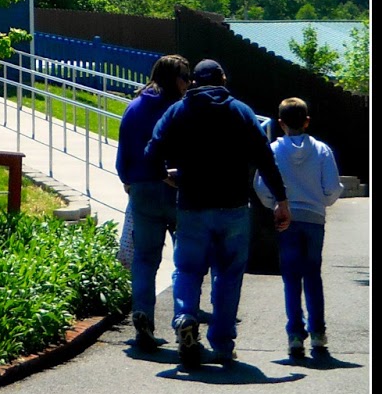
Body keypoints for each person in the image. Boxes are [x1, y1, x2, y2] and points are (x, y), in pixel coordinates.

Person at [144, 58, 290, 369]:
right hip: (233, 207)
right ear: (223, 78)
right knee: (228, 276)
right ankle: (223, 344)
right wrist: (281, 200)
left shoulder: (178, 111)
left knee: (187, 270)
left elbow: (152, 150)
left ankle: (184, 316)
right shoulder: (241, 111)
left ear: (194, 81)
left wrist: (165, 174)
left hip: (192, 205)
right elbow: (265, 158)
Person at [254, 97, 342, 359]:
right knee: (313, 275)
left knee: (291, 278)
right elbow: (332, 189)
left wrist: (274, 204)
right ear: (307, 121)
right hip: (314, 219)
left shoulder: (273, 150)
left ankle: (295, 334)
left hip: (286, 218)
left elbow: (261, 185)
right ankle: (318, 333)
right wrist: (320, 202)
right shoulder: (322, 150)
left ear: (280, 123)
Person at [115, 54, 191, 350]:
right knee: (184, 259)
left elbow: (124, 152)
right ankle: (185, 319)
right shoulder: (181, 109)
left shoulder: (134, 107)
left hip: (142, 188)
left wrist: (128, 178)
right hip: (176, 189)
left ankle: (143, 314)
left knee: (145, 259)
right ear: (175, 78)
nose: (189, 83)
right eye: (185, 76)